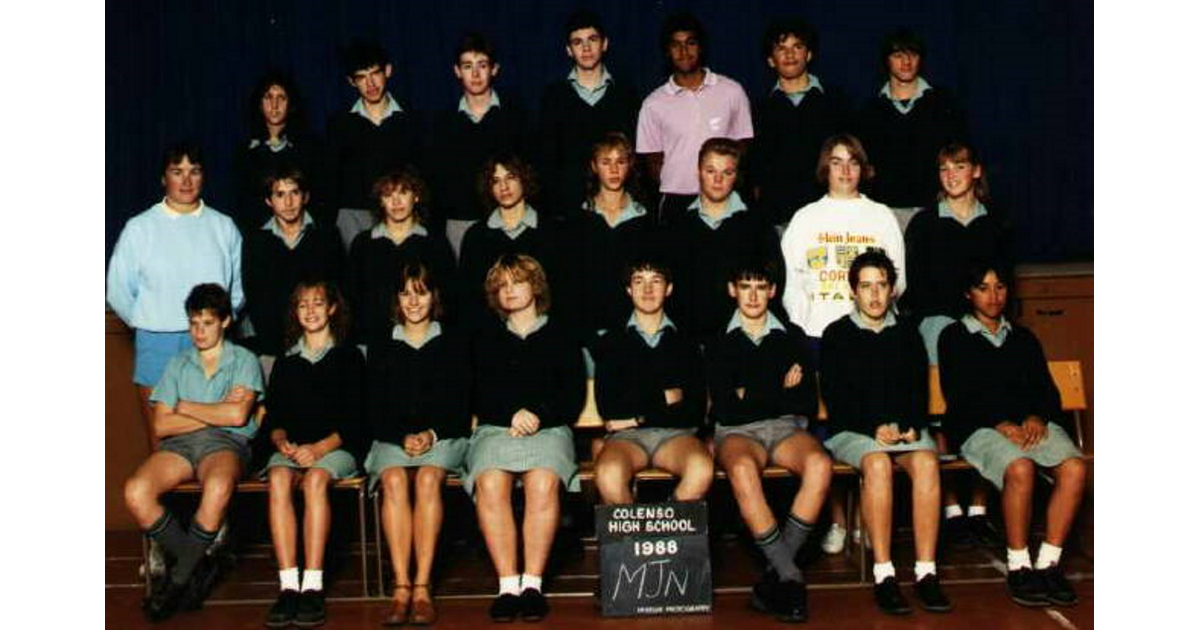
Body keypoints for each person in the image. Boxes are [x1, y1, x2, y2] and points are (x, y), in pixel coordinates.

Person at [780, 134, 905, 555]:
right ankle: (836, 520)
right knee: (826, 431)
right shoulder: (805, 219)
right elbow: (790, 283)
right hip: (819, 337)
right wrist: (803, 329)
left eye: (853, 161)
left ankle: (867, 522)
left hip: (869, 336)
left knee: (867, 425)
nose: (846, 169)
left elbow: (898, 279)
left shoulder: (881, 216)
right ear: (825, 168)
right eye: (837, 162)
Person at [937, 263, 1086, 609]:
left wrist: (1036, 416)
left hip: (1028, 426)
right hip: (979, 426)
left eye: (1000, 287)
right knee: (1020, 468)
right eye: (984, 287)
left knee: (1075, 468)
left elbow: (1047, 392)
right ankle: (1019, 566)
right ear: (968, 293)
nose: (993, 296)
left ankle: (1048, 564)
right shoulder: (955, 337)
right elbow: (960, 395)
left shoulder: (1023, 338)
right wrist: (1000, 423)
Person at [122, 284, 263, 622]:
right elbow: (161, 426)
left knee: (217, 486)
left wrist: (184, 407)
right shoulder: (178, 363)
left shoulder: (243, 360)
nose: (199, 332)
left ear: (226, 322)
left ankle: (177, 582)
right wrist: (214, 410)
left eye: (208, 323)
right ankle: (196, 566)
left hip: (225, 445)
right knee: (135, 491)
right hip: (180, 448)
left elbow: (238, 417)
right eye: (194, 323)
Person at [820, 251, 949, 615]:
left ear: (892, 290)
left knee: (926, 461)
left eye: (881, 285)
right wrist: (874, 428)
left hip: (900, 429)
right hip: (854, 430)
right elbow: (838, 397)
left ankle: (926, 572)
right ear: (853, 292)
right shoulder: (837, 335)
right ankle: (884, 574)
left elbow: (915, 390)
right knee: (876, 464)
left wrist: (908, 427)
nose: (874, 295)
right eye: (866, 287)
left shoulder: (907, 333)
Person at [705, 258, 830, 622]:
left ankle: (776, 573)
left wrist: (751, 392)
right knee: (742, 468)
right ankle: (790, 577)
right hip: (737, 433)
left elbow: (805, 401)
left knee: (820, 464)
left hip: (786, 427)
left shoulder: (791, 335)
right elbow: (727, 408)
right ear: (733, 290)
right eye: (746, 286)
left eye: (761, 287)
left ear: (773, 291)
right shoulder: (718, 342)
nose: (754, 295)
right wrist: (776, 386)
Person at [902, 141, 1011, 548]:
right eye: (944, 168)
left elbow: (1004, 282)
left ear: (976, 172)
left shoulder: (995, 222)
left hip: (986, 325)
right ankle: (950, 508)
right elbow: (914, 287)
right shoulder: (925, 223)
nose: (951, 175)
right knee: (940, 414)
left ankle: (979, 508)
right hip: (937, 326)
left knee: (987, 408)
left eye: (959, 166)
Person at [465, 254, 585, 622]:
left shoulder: (561, 334)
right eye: (502, 285)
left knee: (544, 482)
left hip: (547, 429)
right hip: (496, 429)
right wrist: (509, 415)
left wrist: (539, 416)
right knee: (489, 483)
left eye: (517, 281)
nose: (510, 291)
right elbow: (474, 392)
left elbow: (572, 394)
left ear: (535, 286)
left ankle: (532, 584)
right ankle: (507, 585)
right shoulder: (484, 337)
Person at [107, 143, 245, 445]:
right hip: (157, 342)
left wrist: (215, 326)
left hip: (212, 344)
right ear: (163, 178)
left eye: (194, 172)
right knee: (163, 444)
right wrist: (148, 320)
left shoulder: (223, 227)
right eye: (177, 172)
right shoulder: (139, 228)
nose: (186, 181)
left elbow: (236, 291)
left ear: (203, 176)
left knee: (214, 441)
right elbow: (117, 289)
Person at [364, 263, 472, 625]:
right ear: (396, 298)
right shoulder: (382, 343)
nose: (413, 301)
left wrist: (431, 435)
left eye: (421, 292)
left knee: (427, 478)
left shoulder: (454, 341)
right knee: (394, 479)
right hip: (393, 438)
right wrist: (401, 437)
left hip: (443, 436)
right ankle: (401, 586)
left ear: (434, 296)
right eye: (406, 292)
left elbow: (461, 405)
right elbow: (374, 406)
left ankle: (423, 586)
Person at [261, 280, 364, 628]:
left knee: (316, 481)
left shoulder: (349, 356)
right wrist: (282, 443)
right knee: (277, 479)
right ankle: (289, 584)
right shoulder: (287, 361)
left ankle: (313, 585)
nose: (311, 311)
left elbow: (357, 420)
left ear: (332, 308)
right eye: (303, 305)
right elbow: (274, 419)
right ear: (296, 312)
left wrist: (317, 449)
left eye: (318, 303)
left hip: (335, 448)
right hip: (293, 451)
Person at [592, 258, 711, 505]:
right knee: (608, 474)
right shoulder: (611, 342)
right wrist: (665, 397)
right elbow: (610, 409)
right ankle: (637, 540)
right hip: (627, 440)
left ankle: (666, 531)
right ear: (628, 289)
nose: (647, 290)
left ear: (668, 289)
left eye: (656, 281)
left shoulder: (686, 343)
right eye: (639, 281)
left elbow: (694, 411)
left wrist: (636, 416)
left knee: (701, 469)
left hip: (676, 436)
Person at [636, 12, 753, 226]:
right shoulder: (653, 104)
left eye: (690, 43)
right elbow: (652, 161)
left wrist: (722, 184)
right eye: (676, 45)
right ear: (667, 51)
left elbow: (743, 146)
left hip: (724, 199)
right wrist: (680, 181)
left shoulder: (732, 91)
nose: (684, 51)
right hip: (676, 201)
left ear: (701, 47)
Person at [667, 137, 784, 344]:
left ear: (736, 176)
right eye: (711, 171)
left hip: (742, 341)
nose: (717, 180)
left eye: (727, 173)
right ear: (698, 171)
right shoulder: (677, 225)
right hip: (688, 341)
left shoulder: (757, 224)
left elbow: (775, 281)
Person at [854, 28, 969, 232]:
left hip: (935, 211)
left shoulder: (943, 104)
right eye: (898, 55)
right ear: (886, 61)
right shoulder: (869, 112)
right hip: (884, 214)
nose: (906, 62)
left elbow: (961, 159)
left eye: (913, 55)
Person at [427, 32, 531, 257]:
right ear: (457, 71)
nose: (475, 74)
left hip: (508, 220)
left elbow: (528, 173)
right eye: (467, 66)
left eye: (482, 65)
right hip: (459, 224)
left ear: (494, 69)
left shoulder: (516, 118)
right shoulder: (444, 123)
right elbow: (435, 181)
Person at [537, 9, 640, 218]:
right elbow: (546, 161)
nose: (585, 48)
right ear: (568, 50)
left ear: (604, 44)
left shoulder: (625, 95)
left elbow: (635, 157)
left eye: (592, 39)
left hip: (618, 209)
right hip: (569, 211)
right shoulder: (554, 97)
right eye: (577, 42)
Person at [748, 17, 848, 231]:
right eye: (781, 48)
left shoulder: (836, 101)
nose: (790, 54)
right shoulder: (759, 109)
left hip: (828, 217)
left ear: (809, 54)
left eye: (797, 47)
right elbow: (754, 173)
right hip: (777, 220)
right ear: (770, 60)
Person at [241, 167, 344, 364]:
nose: (288, 203)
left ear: (305, 196)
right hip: (273, 346)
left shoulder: (327, 236)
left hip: (321, 344)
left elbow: (337, 293)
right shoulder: (256, 241)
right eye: (280, 194)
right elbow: (254, 296)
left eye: (294, 193)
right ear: (268, 200)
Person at [324, 40, 420, 249]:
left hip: (400, 212)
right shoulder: (340, 126)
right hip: (354, 218)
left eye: (375, 73)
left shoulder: (411, 122)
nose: (370, 84)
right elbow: (331, 182)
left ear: (388, 71)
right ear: (351, 82)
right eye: (361, 77)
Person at [346, 168, 457, 347]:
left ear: (416, 196)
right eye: (388, 194)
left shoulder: (435, 243)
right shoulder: (363, 244)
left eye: (404, 192)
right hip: (373, 343)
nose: (396, 201)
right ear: (380, 201)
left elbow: (448, 299)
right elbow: (352, 299)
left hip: (423, 343)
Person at [458, 154, 567, 331]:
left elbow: (564, 294)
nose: (504, 187)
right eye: (495, 181)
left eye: (510, 177)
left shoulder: (552, 231)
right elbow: (469, 302)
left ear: (524, 179)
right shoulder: (476, 236)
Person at [572, 132, 657, 346]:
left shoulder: (645, 220)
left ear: (630, 166)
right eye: (605, 162)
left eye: (620, 161)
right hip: (587, 332)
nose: (613, 170)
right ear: (594, 166)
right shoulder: (578, 220)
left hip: (633, 332)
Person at [232, 70, 324, 233]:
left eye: (281, 98)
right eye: (268, 97)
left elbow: (319, 200)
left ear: (291, 104)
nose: (274, 105)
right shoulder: (245, 152)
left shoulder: (311, 148)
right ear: (259, 104)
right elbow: (241, 204)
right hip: (261, 237)